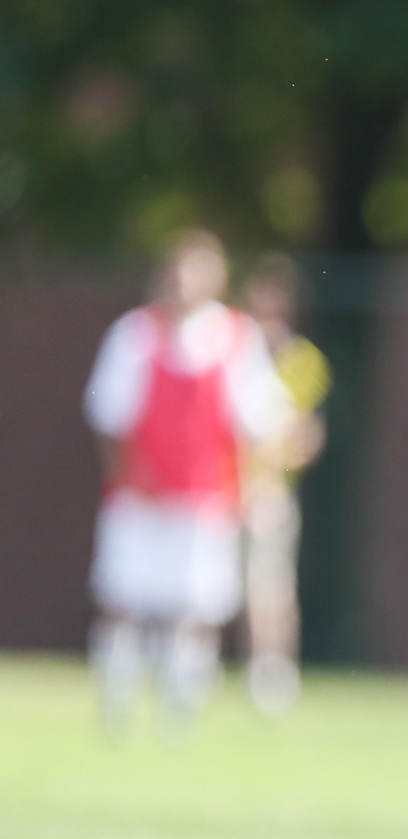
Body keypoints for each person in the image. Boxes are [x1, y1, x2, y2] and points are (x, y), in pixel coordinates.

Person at [84, 229, 291, 737]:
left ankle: (181, 703)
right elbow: (109, 418)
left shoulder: (237, 339)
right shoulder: (135, 334)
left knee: (195, 605)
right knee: (123, 598)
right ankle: (118, 695)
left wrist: (258, 486)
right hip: (139, 497)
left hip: (205, 498)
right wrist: (130, 475)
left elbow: (262, 423)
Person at [239, 253, 331, 713]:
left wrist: (273, 470)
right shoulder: (230, 349)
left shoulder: (301, 360)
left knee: (269, 584)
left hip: (267, 489)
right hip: (217, 488)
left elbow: (306, 431)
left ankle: (272, 668)